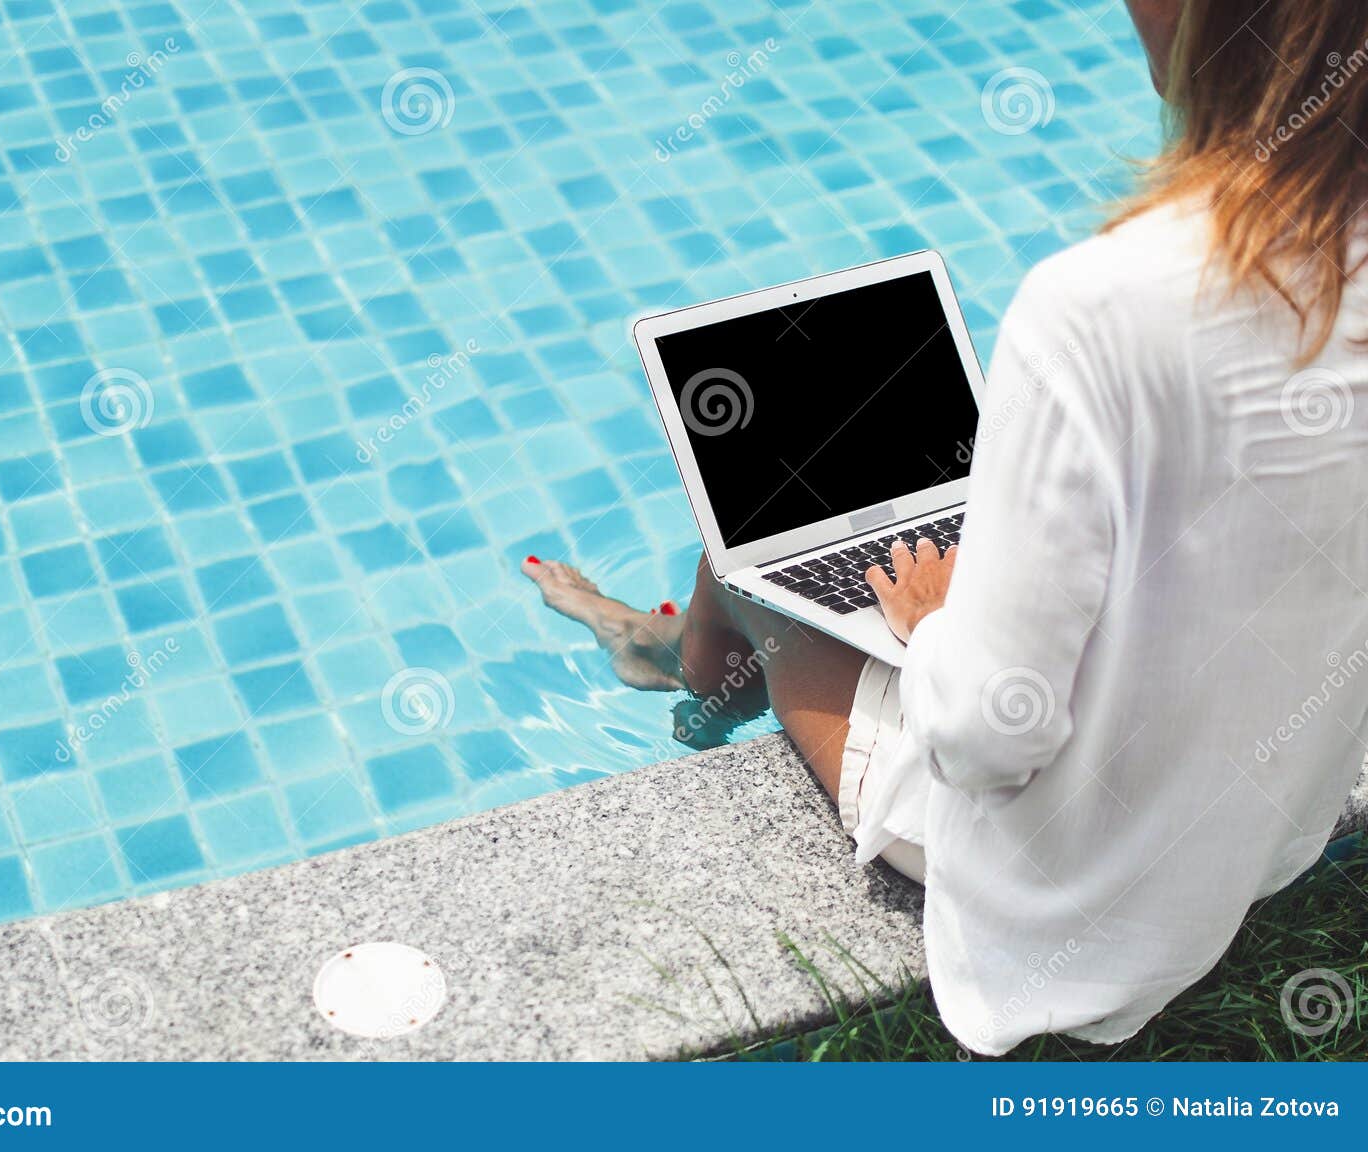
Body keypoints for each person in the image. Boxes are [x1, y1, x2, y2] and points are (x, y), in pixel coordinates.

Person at [524, 0, 1368, 1054]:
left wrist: (932, 624)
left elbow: (985, 740)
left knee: (742, 564)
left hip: (1065, 896)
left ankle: (674, 675)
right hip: (1267, 830)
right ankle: (677, 652)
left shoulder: (1099, 308)